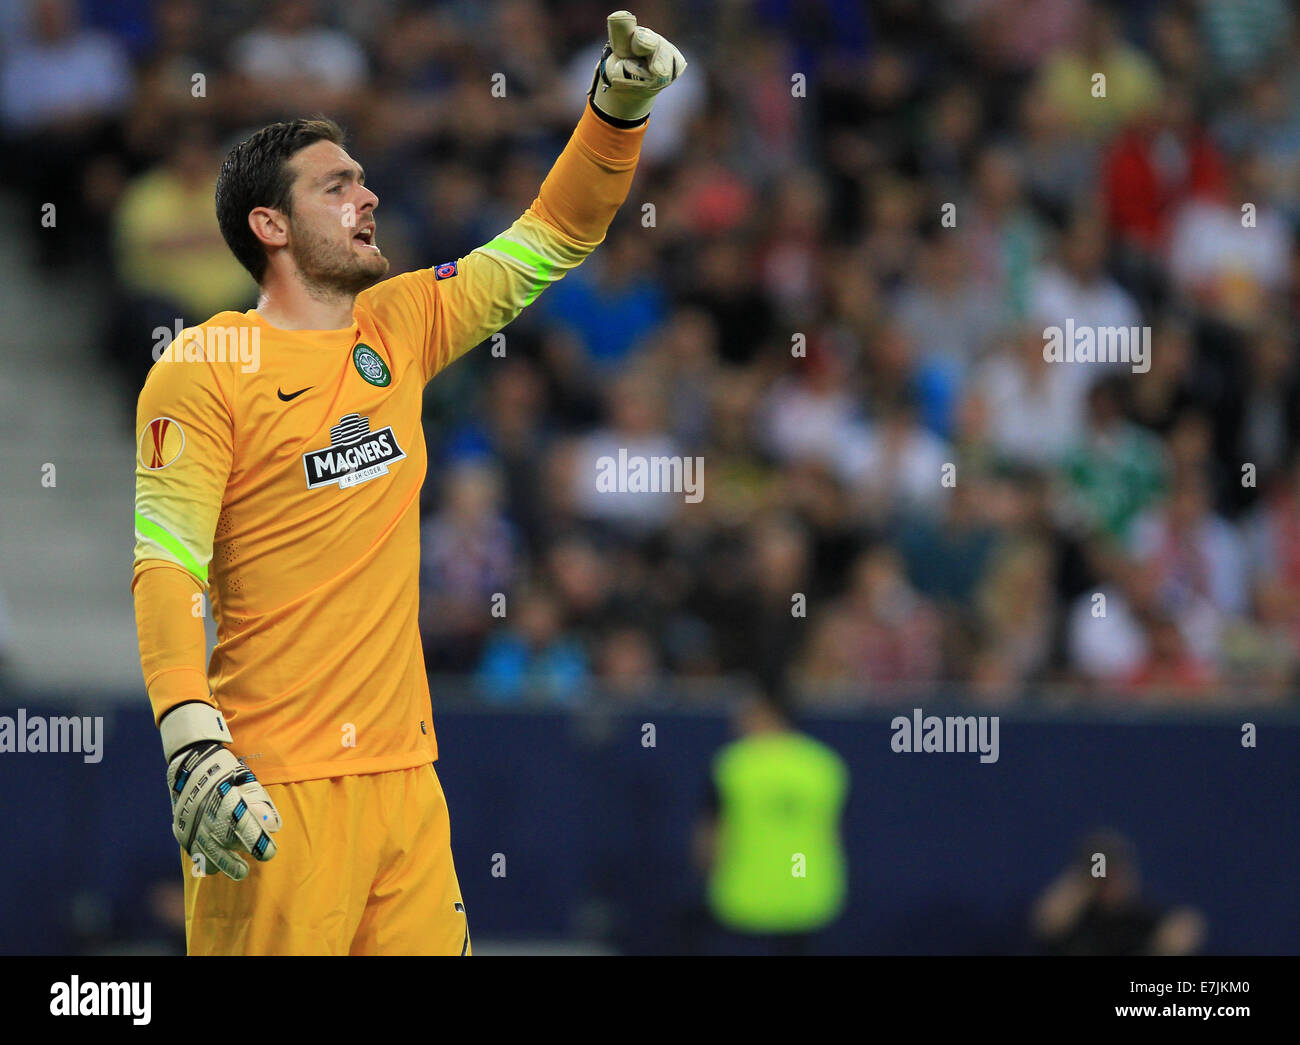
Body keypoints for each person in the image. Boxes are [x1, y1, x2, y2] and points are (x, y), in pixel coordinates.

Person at [130, 11, 686, 956]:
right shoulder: (206, 363)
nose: (368, 195)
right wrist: (191, 734)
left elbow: (552, 235)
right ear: (270, 224)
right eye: (337, 185)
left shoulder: (400, 325)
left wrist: (614, 113)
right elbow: (169, 561)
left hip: (406, 781)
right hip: (275, 788)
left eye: (365, 178)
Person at [694, 691, 849, 955]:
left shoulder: (734, 764)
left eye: (747, 714)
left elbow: (712, 834)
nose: (738, 722)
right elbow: (834, 832)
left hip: (746, 899)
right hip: (809, 897)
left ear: (770, 716)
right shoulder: (824, 764)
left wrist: (705, 872)